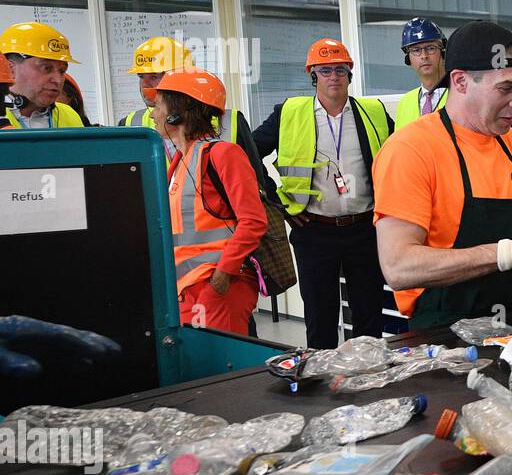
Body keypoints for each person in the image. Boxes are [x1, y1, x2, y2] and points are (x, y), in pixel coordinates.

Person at [372, 20, 512, 329]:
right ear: (460, 82)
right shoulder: (410, 149)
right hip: (443, 335)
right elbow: (399, 267)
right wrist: (510, 252)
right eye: (506, 88)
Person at [253, 38, 393, 349]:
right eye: (325, 70)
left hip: (365, 228)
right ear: (313, 75)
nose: (333, 77)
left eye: (340, 70)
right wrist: (279, 203)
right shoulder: (289, 113)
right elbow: (248, 153)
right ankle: (323, 380)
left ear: (350, 75)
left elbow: (401, 157)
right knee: (320, 315)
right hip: (314, 229)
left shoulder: (374, 112)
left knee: (369, 314)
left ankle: (368, 374)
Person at [155, 69, 266, 336]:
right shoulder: (179, 161)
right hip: (186, 289)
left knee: (224, 373)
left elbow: (253, 221)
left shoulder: (223, 154)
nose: (152, 113)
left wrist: (223, 275)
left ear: (177, 111)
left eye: (158, 105)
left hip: (217, 286)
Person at [118, 36, 271, 198]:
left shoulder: (230, 121)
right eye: (141, 77)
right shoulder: (129, 124)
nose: (144, 85)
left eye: (154, 76)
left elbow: (257, 181)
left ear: (182, 77)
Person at [1, 22, 86, 128]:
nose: (58, 80)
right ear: (10, 69)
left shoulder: (69, 115)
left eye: (62, 71)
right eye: (46, 68)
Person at [393, 16, 448, 129]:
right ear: (408, 59)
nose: (424, 56)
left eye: (431, 48)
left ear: (443, 53)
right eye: (416, 50)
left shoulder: (460, 94)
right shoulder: (405, 102)